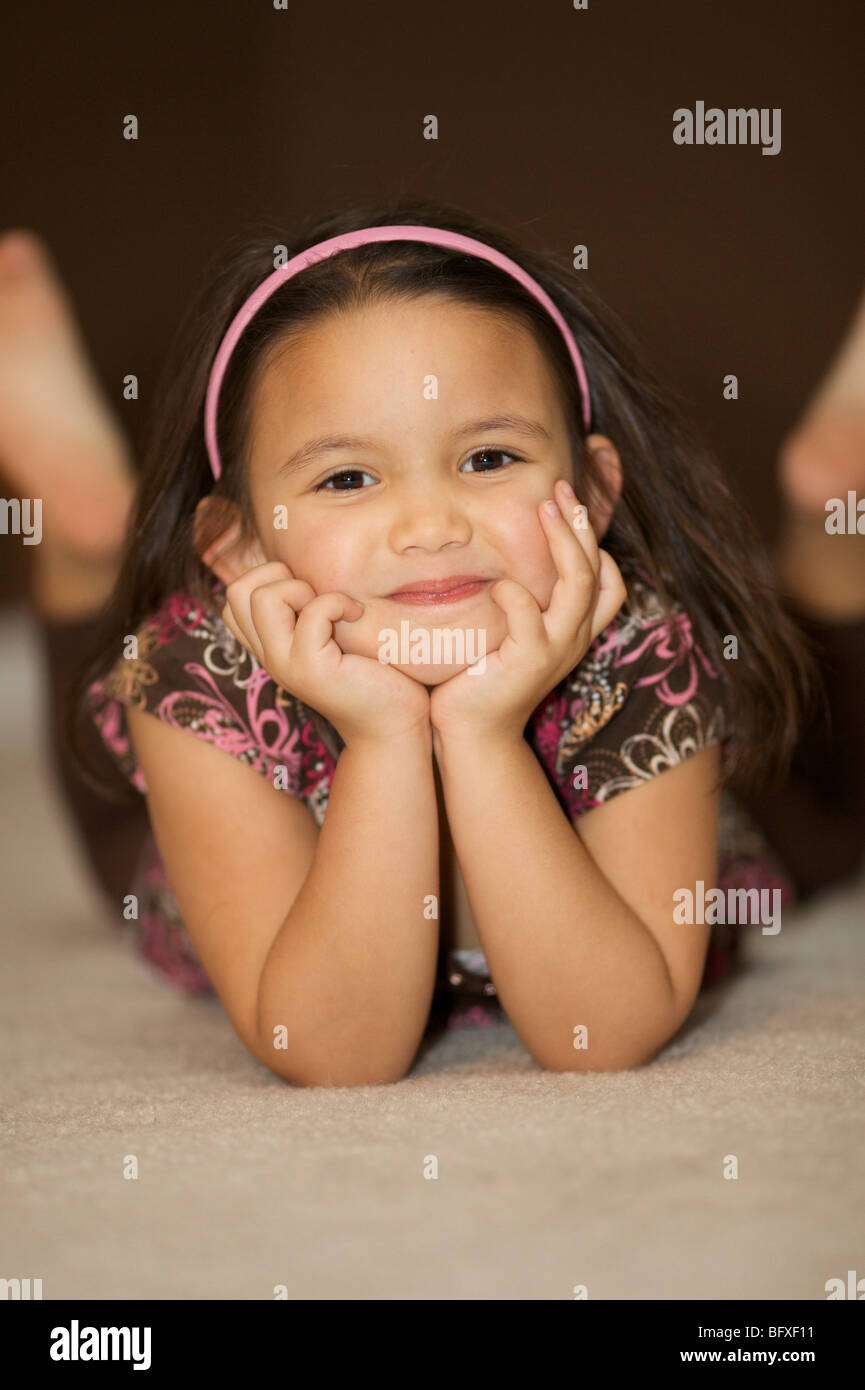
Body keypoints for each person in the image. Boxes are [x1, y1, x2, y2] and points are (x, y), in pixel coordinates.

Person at [0, 198, 856, 1087]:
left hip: (697, 801)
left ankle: (833, 515)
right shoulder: (205, 668)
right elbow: (331, 1051)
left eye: (488, 458)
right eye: (347, 477)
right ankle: (84, 537)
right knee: (119, 841)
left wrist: (483, 736)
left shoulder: (637, 643)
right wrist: (384, 737)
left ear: (594, 492)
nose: (428, 524)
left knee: (817, 808)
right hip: (246, 808)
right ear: (241, 548)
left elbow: (602, 1032)